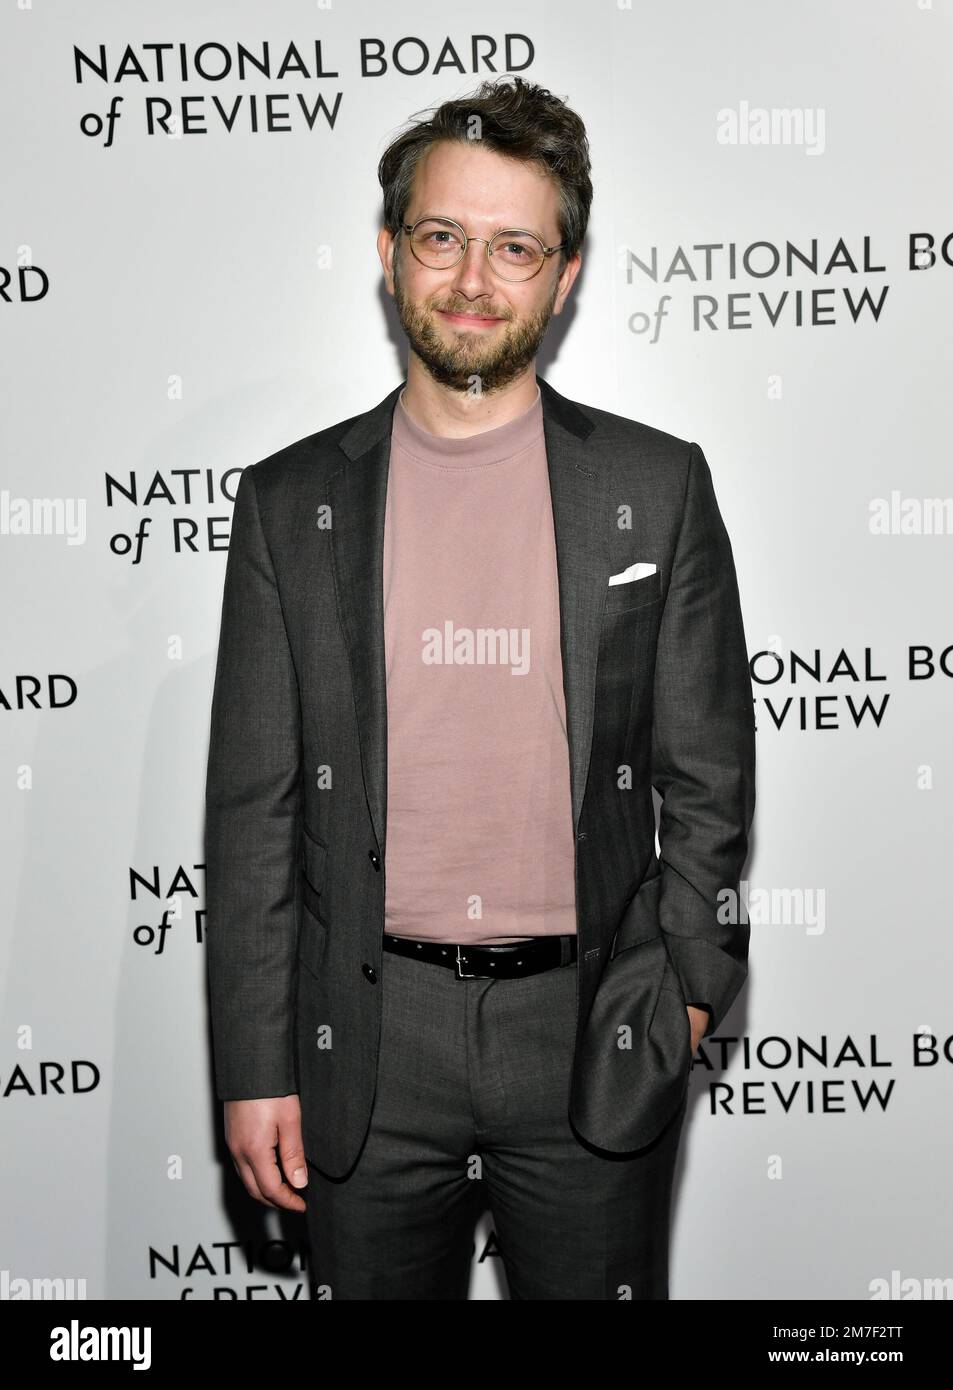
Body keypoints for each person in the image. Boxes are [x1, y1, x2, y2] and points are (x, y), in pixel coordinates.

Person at [204, 75, 756, 1300]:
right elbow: (254, 810)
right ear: (390, 253)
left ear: (563, 276)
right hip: (364, 1036)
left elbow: (708, 777)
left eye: (514, 247)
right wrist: (252, 1064)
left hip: (588, 1029)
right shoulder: (291, 505)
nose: (470, 279)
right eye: (443, 237)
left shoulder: (655, 486)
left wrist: (689, 996)